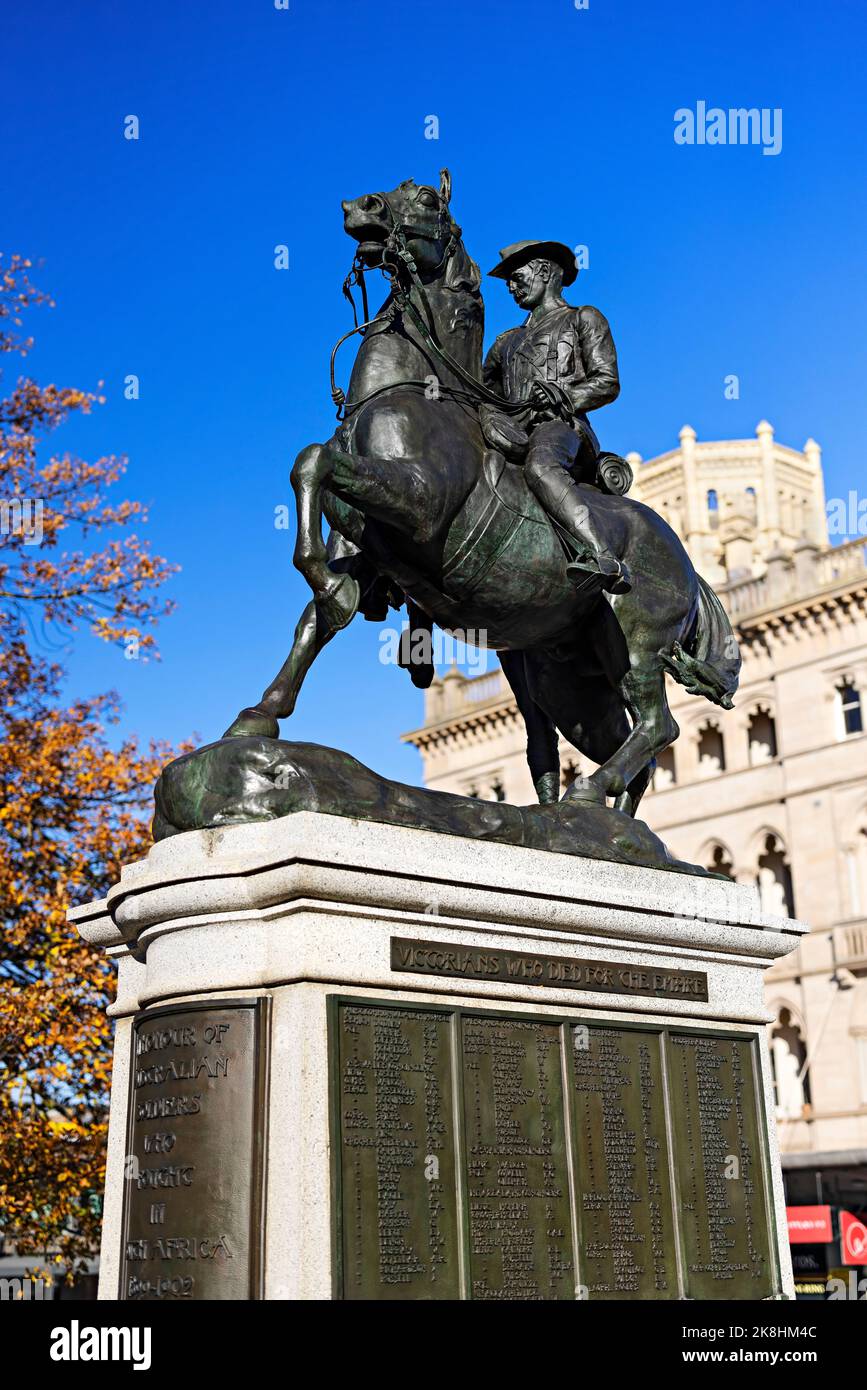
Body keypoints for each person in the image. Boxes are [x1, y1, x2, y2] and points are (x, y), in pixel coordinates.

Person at [483, 240, 630, 593]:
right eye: (509, 283)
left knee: (541, 467)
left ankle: (602, 555)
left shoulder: (583, 318)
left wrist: (564, 396)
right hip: (513, 432)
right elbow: (481, 389)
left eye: (517, 278)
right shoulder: (506, 341)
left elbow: (607, 382)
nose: (511, 288)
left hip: (564, 428)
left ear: (545, 272)